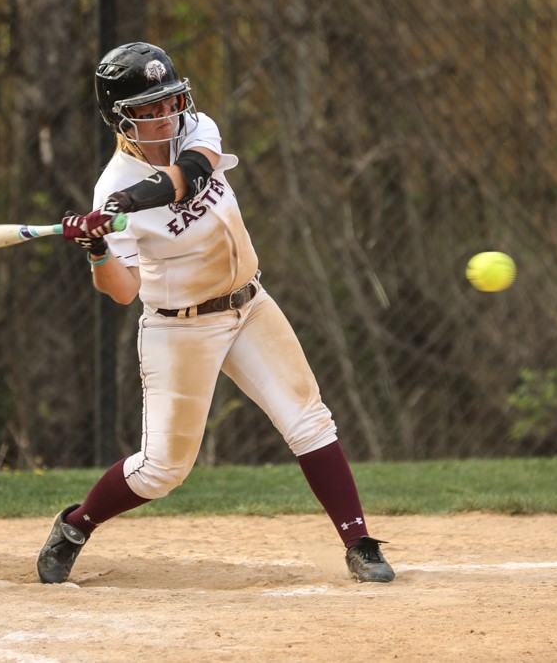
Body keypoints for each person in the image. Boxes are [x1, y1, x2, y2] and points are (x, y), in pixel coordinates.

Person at [36, 42, 394, 585]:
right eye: (148, 110)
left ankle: (359, 543)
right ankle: (76, 525)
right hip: (180, 328)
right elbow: (123, 291)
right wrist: (98, 247)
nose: (165, 116)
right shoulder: (109, 187)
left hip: (250, 306)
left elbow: (193, 174)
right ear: (121, 119)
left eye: (169, 102)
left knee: (309, 419)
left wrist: (130, 204)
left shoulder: (197, 129)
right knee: (163, 470)